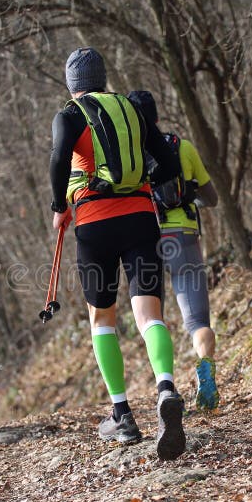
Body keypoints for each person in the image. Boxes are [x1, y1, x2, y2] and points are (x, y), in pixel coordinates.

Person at [49, 47, 187, 460]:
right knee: (150, 315)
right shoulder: (132, 109)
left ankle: (123, 416)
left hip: (94, 225)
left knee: (102, 317)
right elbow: (168, 164)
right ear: (104, 79)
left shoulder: (70, 115)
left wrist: (60, 208)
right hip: (141, 219)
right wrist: (144, 180)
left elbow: (59, 160)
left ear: (72, 86)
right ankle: (166, 387)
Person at [127, 90, 220, 411]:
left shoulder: (128, 155)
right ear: (156, 115)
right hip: (183, 237)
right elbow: (212, 198)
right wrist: (189, 196)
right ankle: (205, 372)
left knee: (153, 320)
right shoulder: (182, 147)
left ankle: (167, 388)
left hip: (145, 241)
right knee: (197, 321)